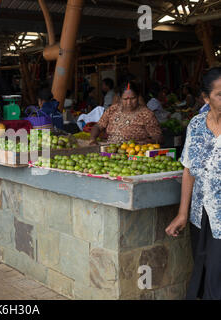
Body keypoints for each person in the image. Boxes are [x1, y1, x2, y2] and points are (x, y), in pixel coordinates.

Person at [165, 67, 221, 300]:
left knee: (216, 276)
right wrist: (182, 213)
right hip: (201, 214)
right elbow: (188, 170)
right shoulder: (196, 125)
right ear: (206, 98)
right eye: (220, 94)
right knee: (203, 267)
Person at [89, 82, 162, 145]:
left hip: (135, 153)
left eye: (133, 98)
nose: (129, 103)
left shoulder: (146, 114)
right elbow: (98, 126)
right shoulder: (113, 109)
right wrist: (92, 140)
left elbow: (158, 137)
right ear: (120, 98)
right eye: (125, 99)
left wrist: (146, 142)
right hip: (110, 150)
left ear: (138, 97)